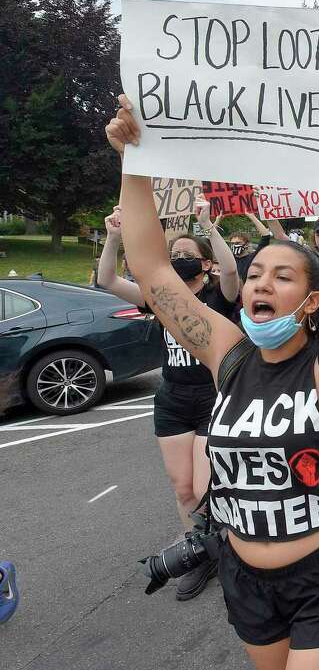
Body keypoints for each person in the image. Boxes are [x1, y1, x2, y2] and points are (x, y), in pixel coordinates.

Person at [107, 87, 319, 670]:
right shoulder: (227, 355)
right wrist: (134, 160)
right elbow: (151, 268)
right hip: (244, 583)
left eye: (281, 275)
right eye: (252, 275)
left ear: (312, 300)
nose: (258, 285)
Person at [97, 197, 239, 601]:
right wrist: (114, 237)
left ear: (204, 263)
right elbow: (107, 280)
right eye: (173, 254)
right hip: (172, 401)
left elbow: (230, 269)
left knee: (204, 483)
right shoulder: (161, 299)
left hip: (213, 399)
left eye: (187, 254)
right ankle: (199, 553)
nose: (179, 259)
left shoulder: (219, 297)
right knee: (184, 490)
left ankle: (228, 544)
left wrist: (208, 226)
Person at [230, 214, 288, 281]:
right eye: (232, 243)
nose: (234, 246)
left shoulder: (254, 258)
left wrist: (252, 216)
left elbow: (265, 236)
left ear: (246, 244)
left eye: (237, 243)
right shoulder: (229, 260)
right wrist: (217, 220)